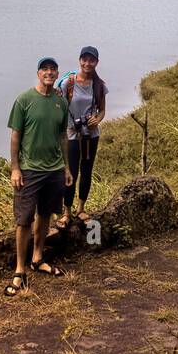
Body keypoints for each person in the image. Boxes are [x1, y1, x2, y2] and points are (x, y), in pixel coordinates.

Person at [4, 56, 74, 296]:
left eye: (53, 70)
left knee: (45, 215)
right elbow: (15, 136)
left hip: (54, 170)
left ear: (57, 74)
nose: (49, 73)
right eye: (45, 69)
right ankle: (19, 269)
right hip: (29, 170)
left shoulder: (60, 102)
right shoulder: (24, 100)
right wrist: (15, 168)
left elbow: (63, 136)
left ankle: (38, 257)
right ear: (38, 73)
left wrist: (66, 168)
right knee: (24, 220)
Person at [56, 46, 107, 231]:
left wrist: (97, 119)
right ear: (79, 60)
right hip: (71, 134)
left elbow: (102, 110)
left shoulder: (99, 85)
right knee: (70, 172)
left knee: (87, 170)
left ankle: (81, 208)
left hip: (90, 135)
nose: (87, 63)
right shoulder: (68, 83)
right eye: (84, 59)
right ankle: (66, 212)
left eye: (91, 60)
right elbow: (58, 106)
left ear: (96, 63)